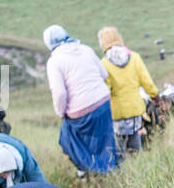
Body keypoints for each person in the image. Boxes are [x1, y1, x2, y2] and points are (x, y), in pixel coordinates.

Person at [44, 25, 118, 176]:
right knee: (105, 141)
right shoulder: (86, 49)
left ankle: (89, 171)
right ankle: (110, 170)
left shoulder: (54, 61)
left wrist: (60, 112)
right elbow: (104, 74)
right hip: (103, 102)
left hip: (80, 111)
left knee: (68, 139)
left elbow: (59, 92)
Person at [97, 26, 159, 157]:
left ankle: (121, 171)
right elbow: (146, 81)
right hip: (135, 109)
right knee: (135, 145)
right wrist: (155, 95)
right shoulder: (135, 58)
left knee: (118, 149)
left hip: (116, 113)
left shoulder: (103, 64)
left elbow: (104, 91)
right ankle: (136, 168)